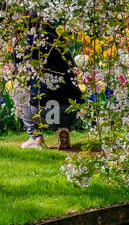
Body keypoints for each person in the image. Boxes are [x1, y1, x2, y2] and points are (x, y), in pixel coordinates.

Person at [13, 14, 81, 150]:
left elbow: (19, 73)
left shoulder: (23, 44)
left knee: (19, 91)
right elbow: (73, 71)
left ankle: (35, 137)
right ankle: (64, 129)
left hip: (42, 111)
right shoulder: (58, 42)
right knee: (60, 91)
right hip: (70, 111)